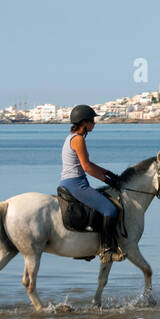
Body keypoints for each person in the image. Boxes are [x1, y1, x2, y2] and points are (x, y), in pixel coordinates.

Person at [60, 104, 123, 256]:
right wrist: (107, 181)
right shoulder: (78, 140)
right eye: (92, 121)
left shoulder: (72, 138)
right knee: (111, 210)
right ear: (84, 123)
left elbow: (88, 163)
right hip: (75, 184)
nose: (94, 123)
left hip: (73, 181)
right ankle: (106, 248)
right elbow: (87, 167)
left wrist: (108, 173)